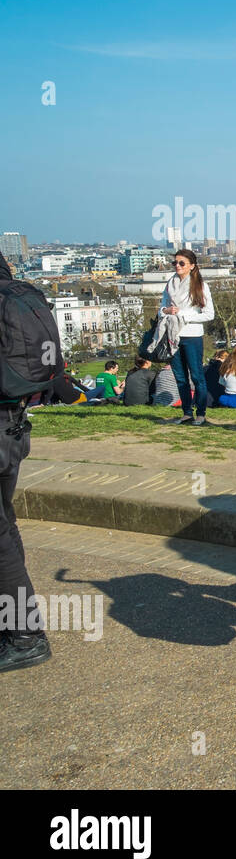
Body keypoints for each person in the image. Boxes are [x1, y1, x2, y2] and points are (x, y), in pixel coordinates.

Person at [0, 253, 49, 671]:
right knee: (4, 524)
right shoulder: (19, 297)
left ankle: (24, 634)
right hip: (12, 429)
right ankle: (15, 626)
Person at [160, 248, 215, 426]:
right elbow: (161, 309)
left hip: (192, 335)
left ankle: (201, 413)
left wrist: (184, 315)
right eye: (175, 262)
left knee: (197, 376)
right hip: (173, 335)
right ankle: (186, 412)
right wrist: (166, 311)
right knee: (180, 377)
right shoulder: (170, 283)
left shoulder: (200, 285)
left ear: (192, 266)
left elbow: (209, 314)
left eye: (181, 263)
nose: (177, 266)